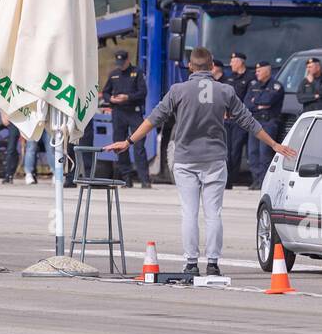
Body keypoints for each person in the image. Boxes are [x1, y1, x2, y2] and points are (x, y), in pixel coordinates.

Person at [104, 46, 298, 277]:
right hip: (215, 160)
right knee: (213, 213)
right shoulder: (225, 90)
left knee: (189, 213)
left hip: (186, 160)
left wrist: (128, 141)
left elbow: (153, 119)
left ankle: (191, 263)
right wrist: (274, 144)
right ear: (212, 65)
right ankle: (213, 263)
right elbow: (249, 121)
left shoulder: (178, 90)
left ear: (190, 67)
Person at [101, 49, 150, 188]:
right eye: (118, 63)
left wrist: (128, 97)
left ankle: (144, 179)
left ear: (128, 60)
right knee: (119, 145)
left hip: (133, 112)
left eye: (122, 62)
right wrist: (110, 99)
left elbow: (143, 92)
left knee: (138, 145)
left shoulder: (137, 73)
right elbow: (105, 92)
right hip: (118, 112)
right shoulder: (114, 75)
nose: (120, 65)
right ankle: (126, 178)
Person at [244, 60, 285, 189]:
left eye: (259, 71)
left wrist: (255, 101)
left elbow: (268, 100)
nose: (256, 73)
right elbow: (247, 103)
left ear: (267, 71)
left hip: (268, 123)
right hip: (254, 122)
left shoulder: (276, 86)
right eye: (256, 71)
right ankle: (256, 180)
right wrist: (259, 105)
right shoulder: (254, 85)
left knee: (264, 154)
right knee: (252, 153)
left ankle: (264, 181)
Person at [223, 51, 256, 189]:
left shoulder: (250, 78)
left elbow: (249, 99)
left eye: (233, 61)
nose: (231, 64)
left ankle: (232, 178)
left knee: (235, 151)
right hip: (227, 120)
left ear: (240, 62)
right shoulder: (230, 78)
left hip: (240, 120)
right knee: (226, 150)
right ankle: (226, 180)